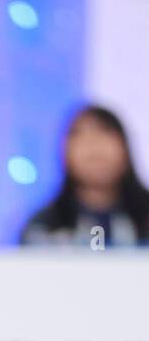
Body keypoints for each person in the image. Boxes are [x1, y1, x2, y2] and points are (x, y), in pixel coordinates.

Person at [20, 104, 149, 247]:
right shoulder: (43, 228)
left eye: (104, 132)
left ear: (125, 149)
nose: (94, 146)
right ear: (65, 154)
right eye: (80, 136)